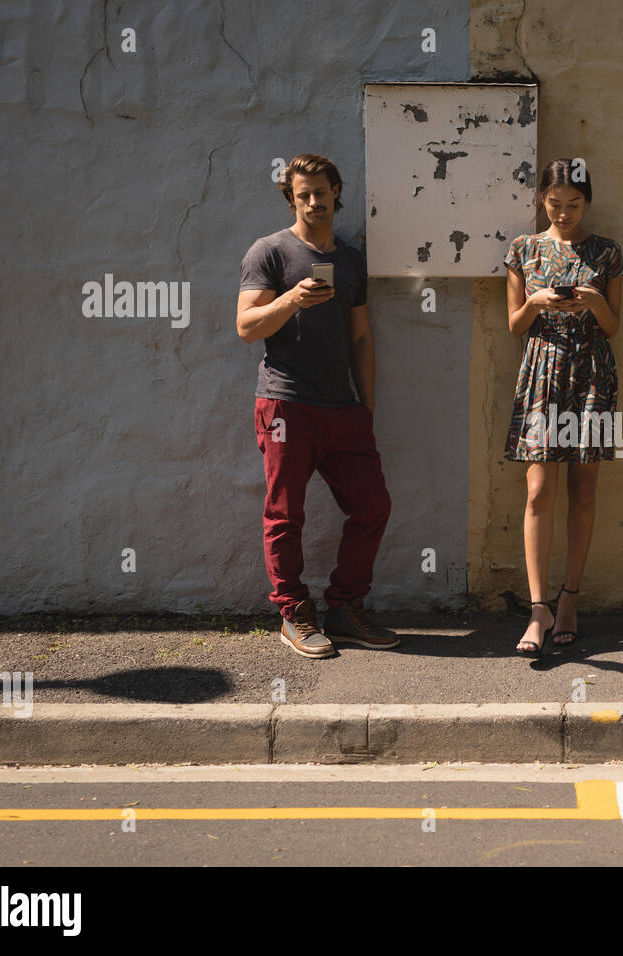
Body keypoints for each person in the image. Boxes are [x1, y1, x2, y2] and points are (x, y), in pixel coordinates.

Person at [235, 153, 398, 659]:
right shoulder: (270, 252)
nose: (312, 201)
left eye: (320, 192)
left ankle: (345, 608)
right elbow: (246, 327)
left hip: (342, 408)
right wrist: (291, 301)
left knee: (372, 505)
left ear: (335, 192)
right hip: (286, 402)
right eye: (302, 194)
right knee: (286, 514)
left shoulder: (349, 259)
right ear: (291, 198)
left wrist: (365, 404)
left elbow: (362, 336)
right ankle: (293, 613)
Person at [502, 158, 623, 655]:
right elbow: (514, 325)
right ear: (541, 201)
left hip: (592, 375)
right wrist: (537, 304)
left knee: (584, 487)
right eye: (554, 204)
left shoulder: (607, 251)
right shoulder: (523, 249)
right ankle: (538, 609)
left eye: (573, 204)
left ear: (587, 202)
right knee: (538, 491)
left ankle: (570, 598)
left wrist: (593, 300)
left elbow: (615, 326)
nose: (563, 213)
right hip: (542, 373)